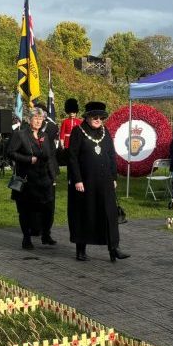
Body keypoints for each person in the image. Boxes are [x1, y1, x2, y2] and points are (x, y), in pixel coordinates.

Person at [67, 101, 128, 262]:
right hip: (85, 182)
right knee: (84, 213)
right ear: (87, 117)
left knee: (109, 214)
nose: (98, 120)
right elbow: (72, 158)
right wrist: (77, 180)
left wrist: (114, 177)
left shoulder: (104, 131)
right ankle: (81, 249)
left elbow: (111, 155)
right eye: (95, 117)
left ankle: (114, 248)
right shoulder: (78, 132)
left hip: (105, 180)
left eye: (101, 117)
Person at [8, 107, 59, 249]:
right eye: (35, 118)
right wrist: (28, 159)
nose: (38, 121)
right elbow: (10, 152)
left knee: (48, 208)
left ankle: (46, 235)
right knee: (26, 210)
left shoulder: (45, 135)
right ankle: (26, 238)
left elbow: (49, 157)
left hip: (44, 179)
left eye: (40, 118)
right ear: (30, 120)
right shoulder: (21, 135)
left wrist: (52, 176)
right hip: (27, 179)